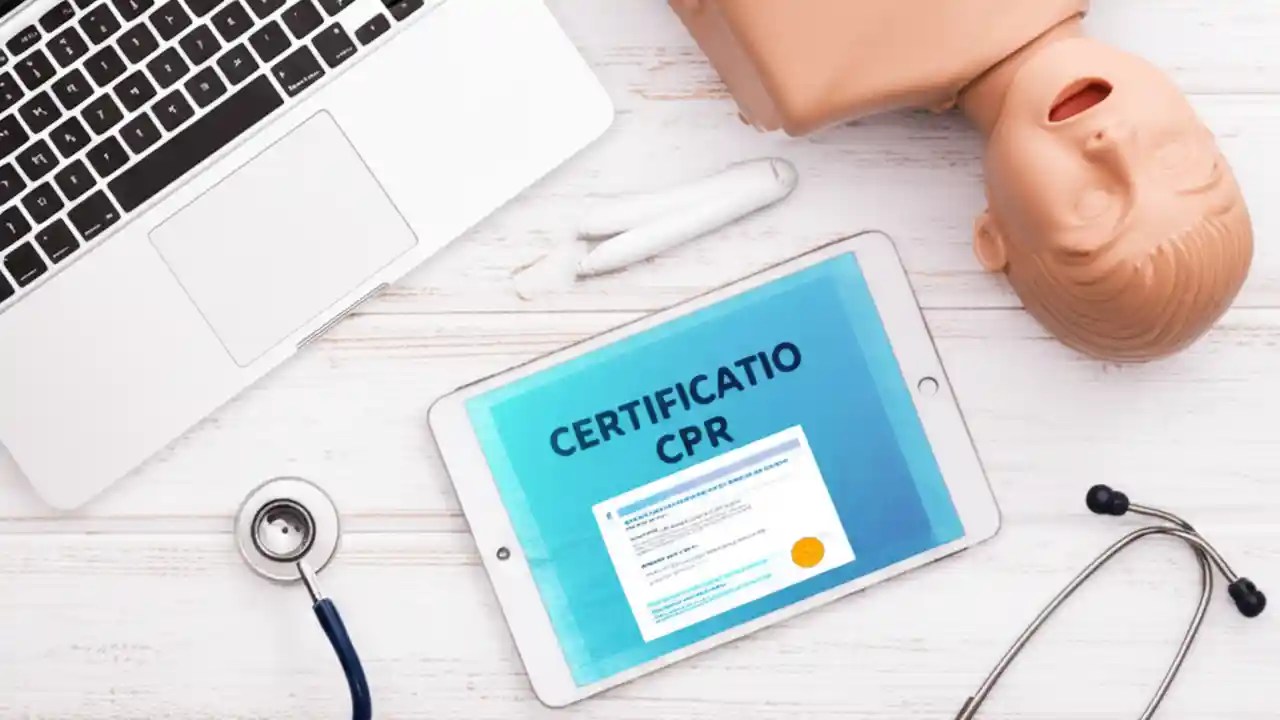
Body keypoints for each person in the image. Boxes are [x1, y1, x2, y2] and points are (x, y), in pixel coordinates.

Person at [671, 1, 1253, 361]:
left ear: (993, 236)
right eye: (1174, 159)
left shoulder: (796, 74)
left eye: (1094, 205)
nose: (1115, 145)